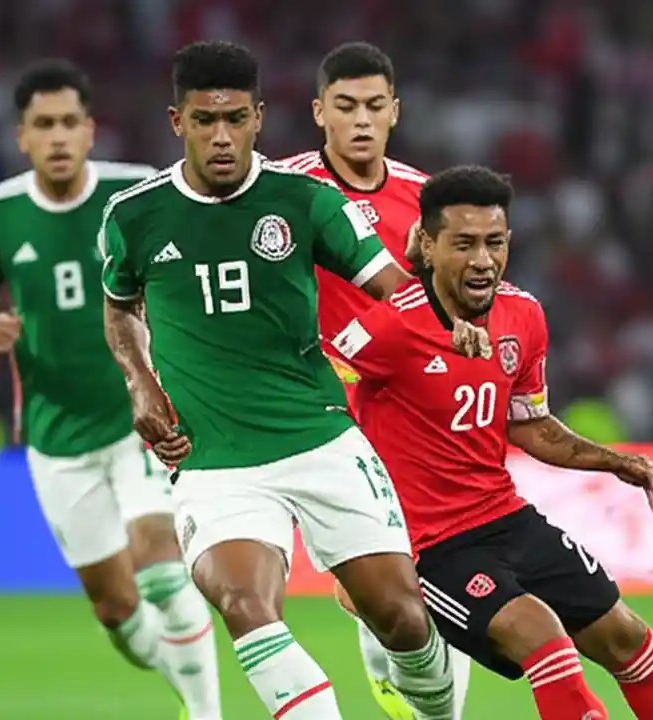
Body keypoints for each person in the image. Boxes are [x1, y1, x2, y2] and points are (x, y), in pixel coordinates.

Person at [99, 41, 485, 720]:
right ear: (178, 121)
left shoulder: (304, 200)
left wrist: (450, 318)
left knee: (400, 616)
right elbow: (120, 307)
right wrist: (139, 381)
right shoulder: (133, 215)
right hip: (214, 459)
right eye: (204, 120)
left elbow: (391, 286)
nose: (222, 136)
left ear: (259, 118)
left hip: (320, 438)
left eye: (236, 119)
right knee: (244, 602)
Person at [332, 165, 653, 719]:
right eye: (464, 244)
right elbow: (315, 382)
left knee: (628, 637)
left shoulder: (523, 315)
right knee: (543, 637)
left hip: (507, 518)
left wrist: (614, 461)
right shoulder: (391, 326)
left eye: (494, 242)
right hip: (432, 547)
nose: (482, 260)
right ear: (428, 247)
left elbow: (530, 424)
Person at [0, 59, 221, 718]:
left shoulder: (135, 194)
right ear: (22, 137)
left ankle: (206, 712)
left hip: (140, 420)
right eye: (44, 125)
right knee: (116, 610)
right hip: (57, 438)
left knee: (163, 571)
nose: (58, 136)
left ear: (90, 129)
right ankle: (184, 680)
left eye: (69, 122)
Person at [277, 41, 471, 720]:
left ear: (395, 112)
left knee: (443, 565)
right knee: (367, 581)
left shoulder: (426, 199)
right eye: (345, 106)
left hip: (414, 406)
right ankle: (387, 662)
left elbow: (464, 298)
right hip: (323, 406)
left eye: (373, 106)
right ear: (318, 113)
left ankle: (434, 706)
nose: (360, 120)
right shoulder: (284, 191)